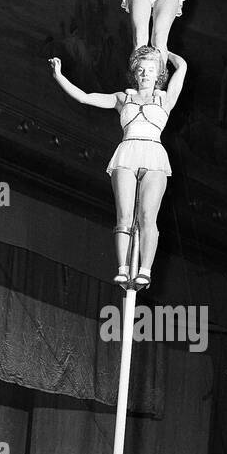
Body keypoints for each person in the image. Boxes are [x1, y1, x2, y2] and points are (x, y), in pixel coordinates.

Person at [49, 45, 186, 289]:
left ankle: (145, 270)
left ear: (158, 74)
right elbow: (85, 97)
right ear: (135, 72)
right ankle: (123, 269)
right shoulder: (122, 98)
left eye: (151, 70)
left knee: (147, 217)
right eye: (141, 69)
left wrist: (164, 50)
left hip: (154, 154)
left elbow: (182, 67)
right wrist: (59, 75)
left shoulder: (165, 99)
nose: (145, 74)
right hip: (127, 154)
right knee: (124, 216)